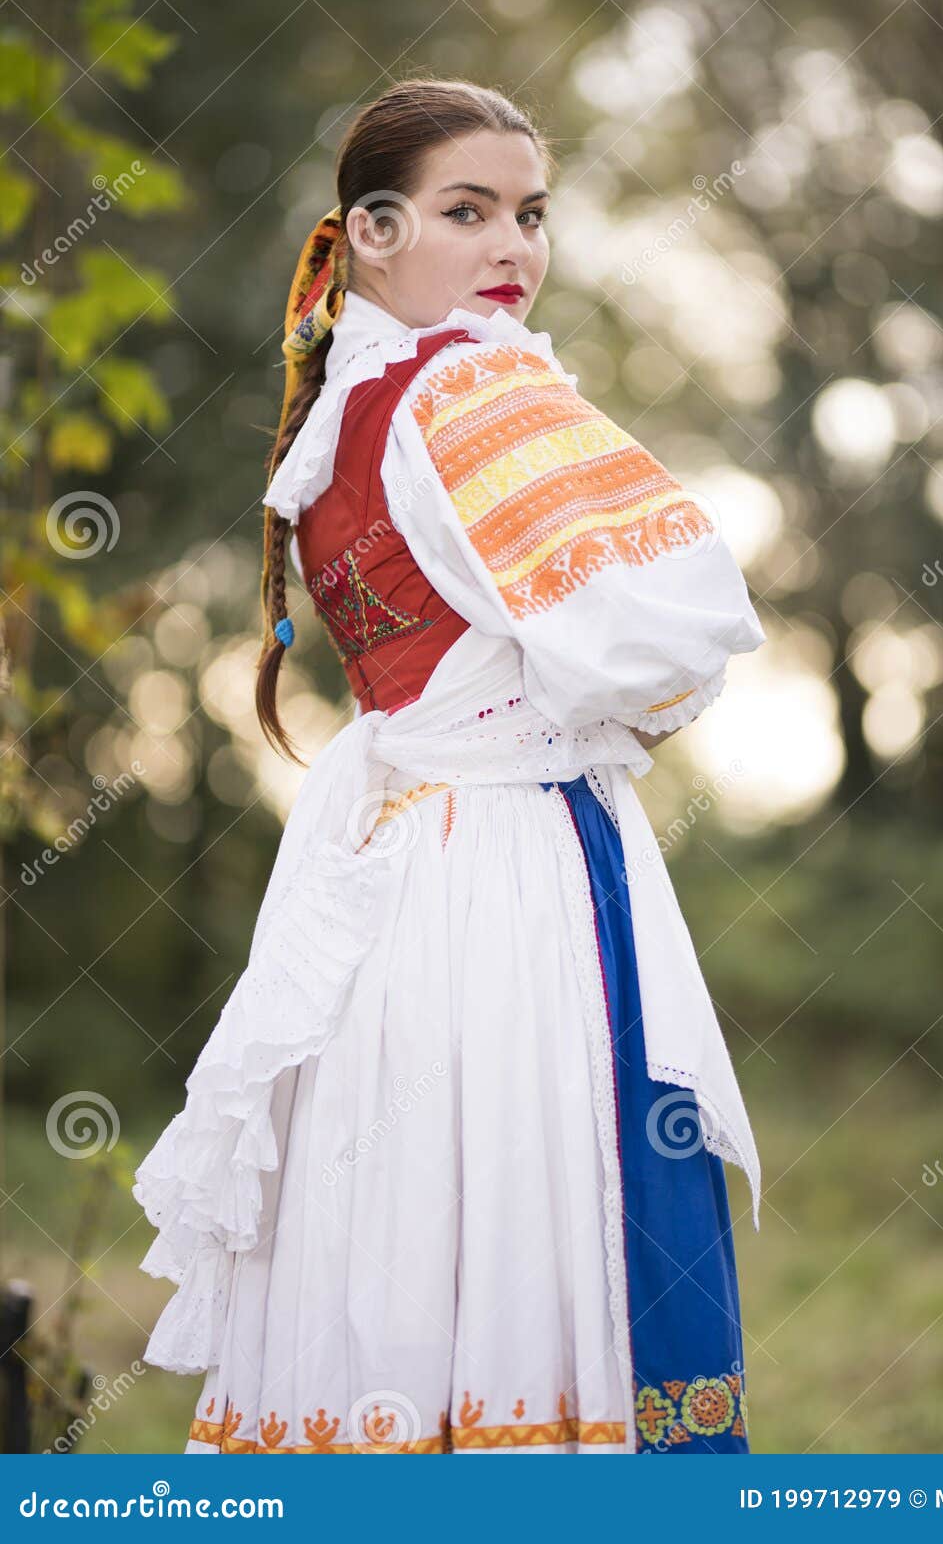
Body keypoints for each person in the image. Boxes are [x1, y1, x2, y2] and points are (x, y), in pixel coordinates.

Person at [131, 77, 767, 1455]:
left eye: (530, 216)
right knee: (534, 1197)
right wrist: (606, 715)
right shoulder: (474, 387)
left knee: (403, 1213)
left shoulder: (334, 416)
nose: (511, 251)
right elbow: (671, 633)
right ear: (369, 231)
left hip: (393, 866)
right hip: (511, 866)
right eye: (465, 212)